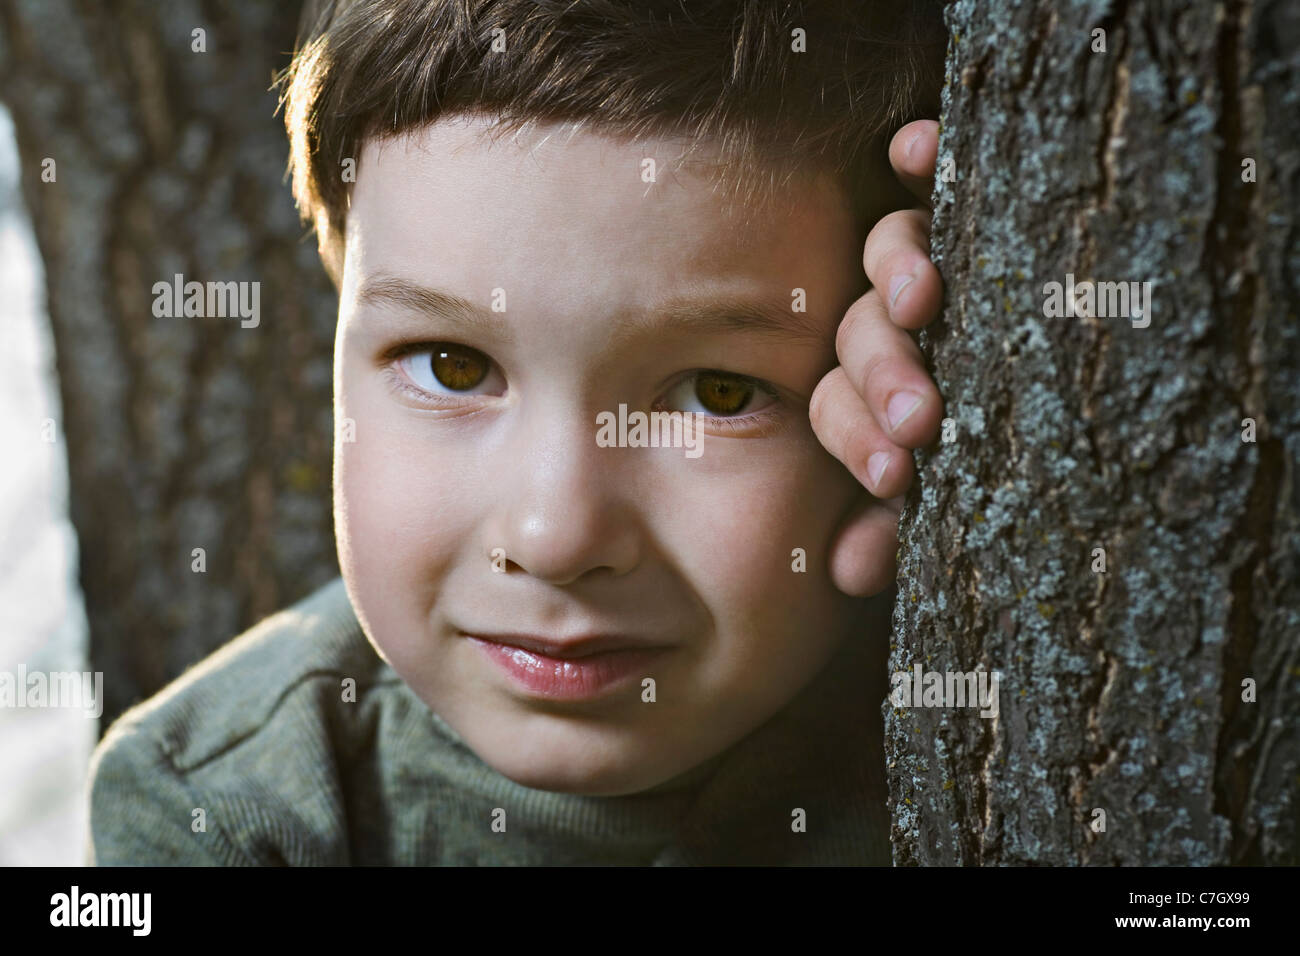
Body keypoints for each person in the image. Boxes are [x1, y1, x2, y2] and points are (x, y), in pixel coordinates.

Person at [88, 0, 948, 865]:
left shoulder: (986, 711)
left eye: (718, 394)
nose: (554, 537)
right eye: (452, 366)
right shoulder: (215, 816)